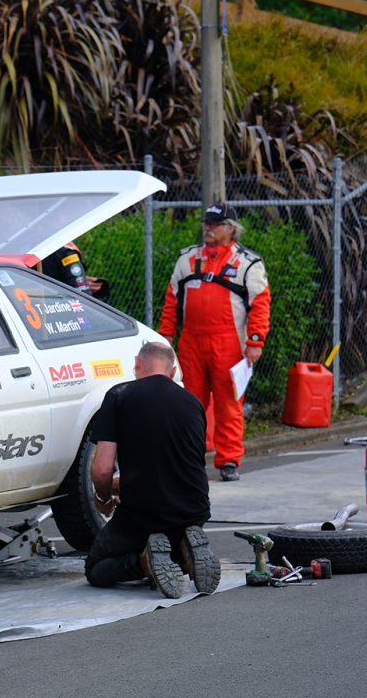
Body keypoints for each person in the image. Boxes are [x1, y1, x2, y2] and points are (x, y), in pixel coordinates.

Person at [85, 342, 219, 599]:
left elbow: (102, 470)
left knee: (95, 569)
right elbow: (178, 464)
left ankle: (145, 563)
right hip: (194, 511)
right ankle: (182, 551)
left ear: (137, 364)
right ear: (173, 371)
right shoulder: (193, 402)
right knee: (169, 536)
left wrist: (103, 498)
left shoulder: (118, 395)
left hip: (143, 516)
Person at [157, 203, 270, 482]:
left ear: (230, 229)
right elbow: (172, 300)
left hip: (229, 344)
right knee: (188, 403)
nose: (207, 228)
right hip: (191, 342)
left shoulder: (248, 263)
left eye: (214, 224)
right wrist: (165, 335)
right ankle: (190, 459)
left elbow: (260, 304)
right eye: (206, 222)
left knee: (228, 403)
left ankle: (228, 460)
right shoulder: (187, 259)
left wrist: (255, 340)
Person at [41, 242, 109, 300]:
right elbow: (82, 297)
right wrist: (79, 283)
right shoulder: (65, 250)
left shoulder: (35, 248)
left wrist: (79, 281)